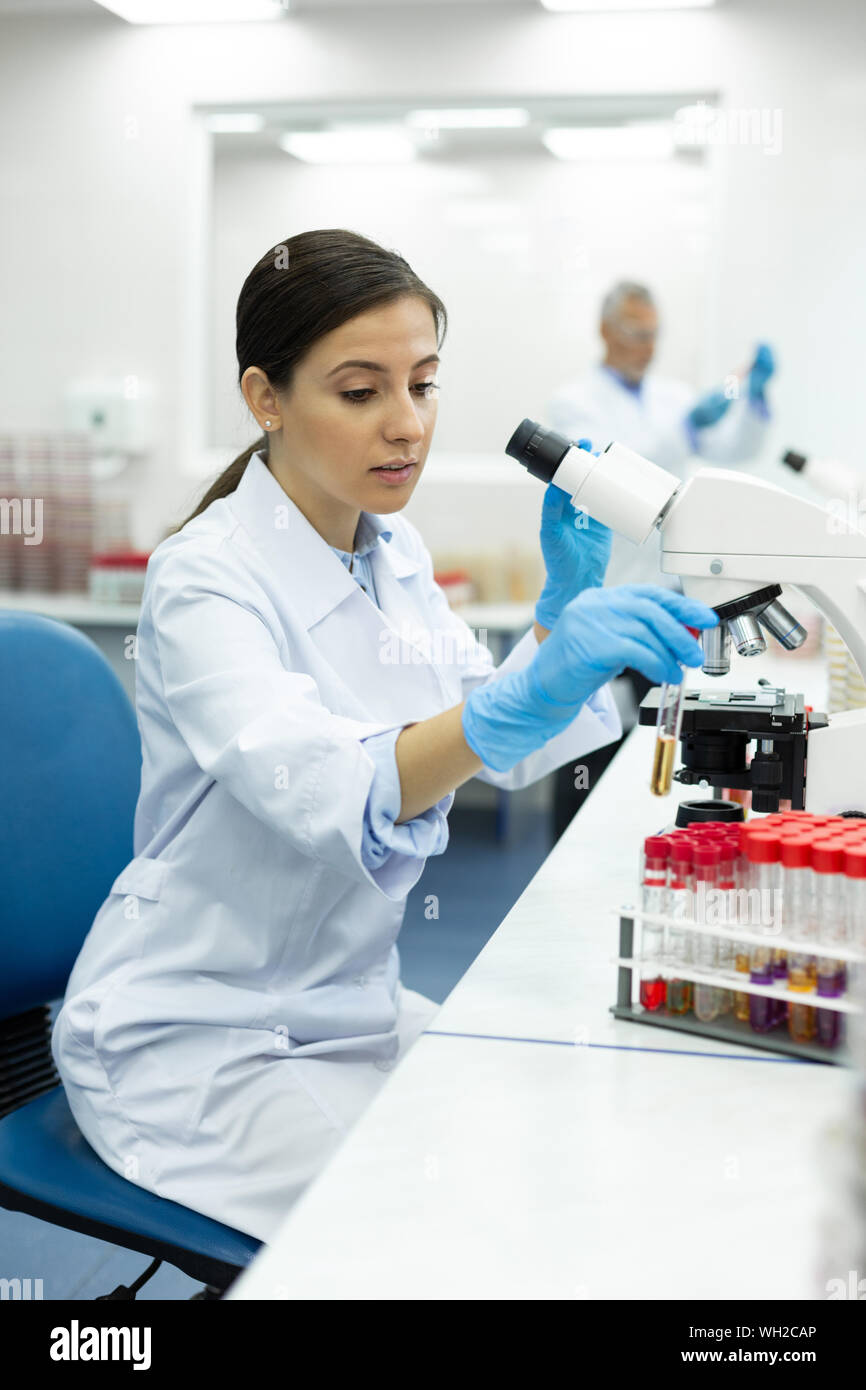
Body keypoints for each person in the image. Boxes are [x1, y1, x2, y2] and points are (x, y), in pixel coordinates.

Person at [51, 230, 719, 1245]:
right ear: (265, 398)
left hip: (344, 1005)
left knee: (560, 1149)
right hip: (199, 1038)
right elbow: (333, 791)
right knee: (443, 1230)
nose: (405, 424)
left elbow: (497, 734)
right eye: (360, 392)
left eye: (423, 384)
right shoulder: (206, 577)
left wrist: (556, 624)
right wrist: (526, 687)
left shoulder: (390, 552)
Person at [546, 280, 776, 839]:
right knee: (591, 744)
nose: (646, 345)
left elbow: (735, 451)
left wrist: (755, 401)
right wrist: (686, 428)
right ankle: (571, 857)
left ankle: (642, 841)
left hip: (668, 602)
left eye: (653, 334)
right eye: (634, 332)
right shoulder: (572, 403)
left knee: (657, 744)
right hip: (604, 600)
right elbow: (617, 478)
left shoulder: (673, 396)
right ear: (605, 330)